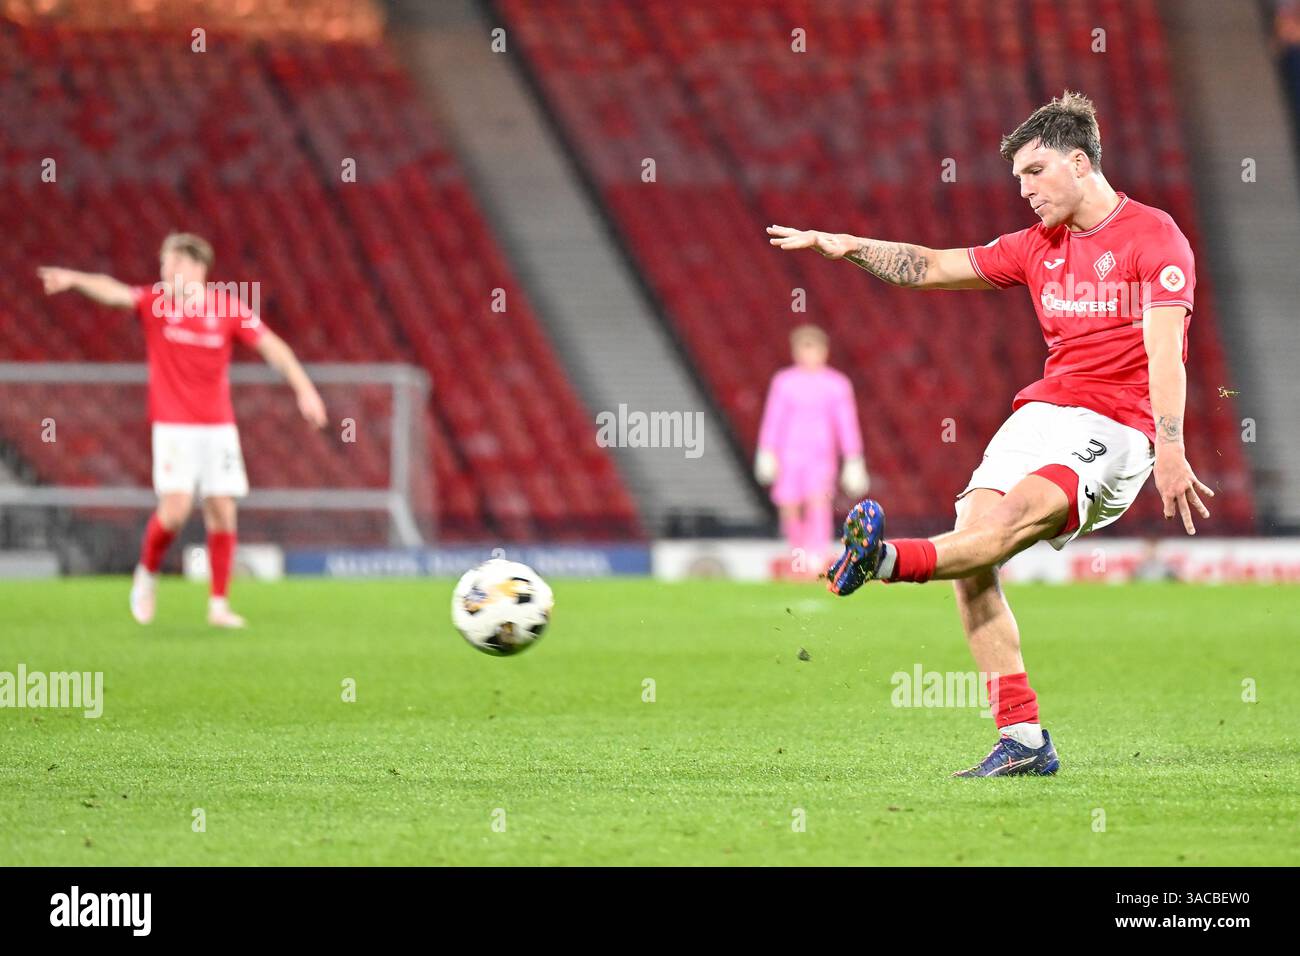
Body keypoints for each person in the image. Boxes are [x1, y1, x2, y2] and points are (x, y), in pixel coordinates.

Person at [767, 91, 1213, 776]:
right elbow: (937, 265)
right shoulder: (1037, 247)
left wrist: (1172, 446)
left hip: (1116, 426)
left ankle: (880, 561)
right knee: (972, 551)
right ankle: (1024, 739)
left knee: (1008, 522)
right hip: (1042, 413)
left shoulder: (1154, 238)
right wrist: (851, 246)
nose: (1025, 191)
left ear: (1079, 162)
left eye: (1035, 173)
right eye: (1019, 179)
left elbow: (1164, 352)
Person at [39, 233, 328, 628]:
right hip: (174, 426)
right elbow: (114, 291)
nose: (165, 271)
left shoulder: (227, 308)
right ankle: (146, 575)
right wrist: (75, 279)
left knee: (223, 511)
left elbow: (274, 348)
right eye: (164, 264)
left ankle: (219, 605)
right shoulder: (157, 304)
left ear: (197, 268)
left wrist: (305, 389)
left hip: (218, 427)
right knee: (175, 509)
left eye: (173, 263)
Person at [755, 325, 869, 577]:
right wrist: (766, 450)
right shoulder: (784, 382)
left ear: (824, 351)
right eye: (803, 349)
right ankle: (797, 550)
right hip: (789, 455)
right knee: (788, 503)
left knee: (818, 501)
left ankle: (816, 552)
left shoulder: (837, 384)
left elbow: (846, 422)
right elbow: (774, 418)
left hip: (820, 455)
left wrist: (853, 457)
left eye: (813, 349)